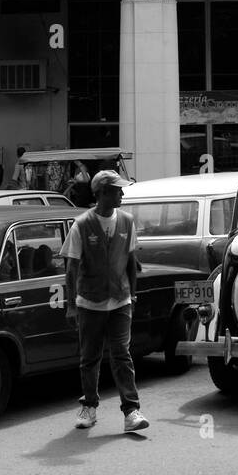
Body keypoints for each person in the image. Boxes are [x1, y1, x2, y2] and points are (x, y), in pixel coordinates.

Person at [62, 170, 149, 434]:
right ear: (101, 193)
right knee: (90, 358)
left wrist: (132, 294)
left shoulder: (127, 221)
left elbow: (131, 262)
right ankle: (89, 406)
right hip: (90, 301)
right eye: (117, 190)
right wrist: (71, 305)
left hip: (121, 300)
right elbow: (71, 268)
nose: (122, 194)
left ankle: (131, 411)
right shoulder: (82, 224)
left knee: (122, 355)